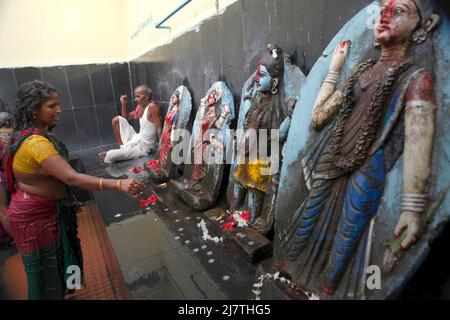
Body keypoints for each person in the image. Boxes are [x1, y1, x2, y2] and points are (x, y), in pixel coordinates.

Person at [283, 0, 439, 298]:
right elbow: (318, 117)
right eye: (384, 10)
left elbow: (420, 140)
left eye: (400, 11)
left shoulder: (418, 79)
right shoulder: (360, 72)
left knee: (344, 245)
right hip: (331, 162)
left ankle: (328, 293)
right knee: (302, 233)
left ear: (421, 26)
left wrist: (412, 210)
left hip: (366, 173)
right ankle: (291, 274)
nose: (385, 16)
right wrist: (335, 69)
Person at [3, 80, 144, 300]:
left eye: (59, 104)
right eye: (51, 106)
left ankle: (67, 291)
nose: (59, 110)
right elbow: (71, 177)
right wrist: (117, 183)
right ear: (33, 109)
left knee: (63, 259)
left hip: (52, 212)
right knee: (46, 273)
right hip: (36, 220)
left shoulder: (42, 136)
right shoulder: (34, 143)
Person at [100, 85, 162, 164]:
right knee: (116, 120)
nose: (135, 99)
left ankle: (118, 152)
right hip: (138, 138)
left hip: (143, 148)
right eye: (135, 96)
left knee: (110, 156)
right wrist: (123, 103)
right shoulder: (140, 107)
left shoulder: (152, 107)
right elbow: (126, 117)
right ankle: (121, 149)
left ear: (146, 96)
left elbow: (159, 128)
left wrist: (161, 147)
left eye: (138, 96)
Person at [0, 112, 14, 249]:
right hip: (3, 177)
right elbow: (5, 162)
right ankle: (17, 238)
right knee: (4, 210)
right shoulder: (6, 136)